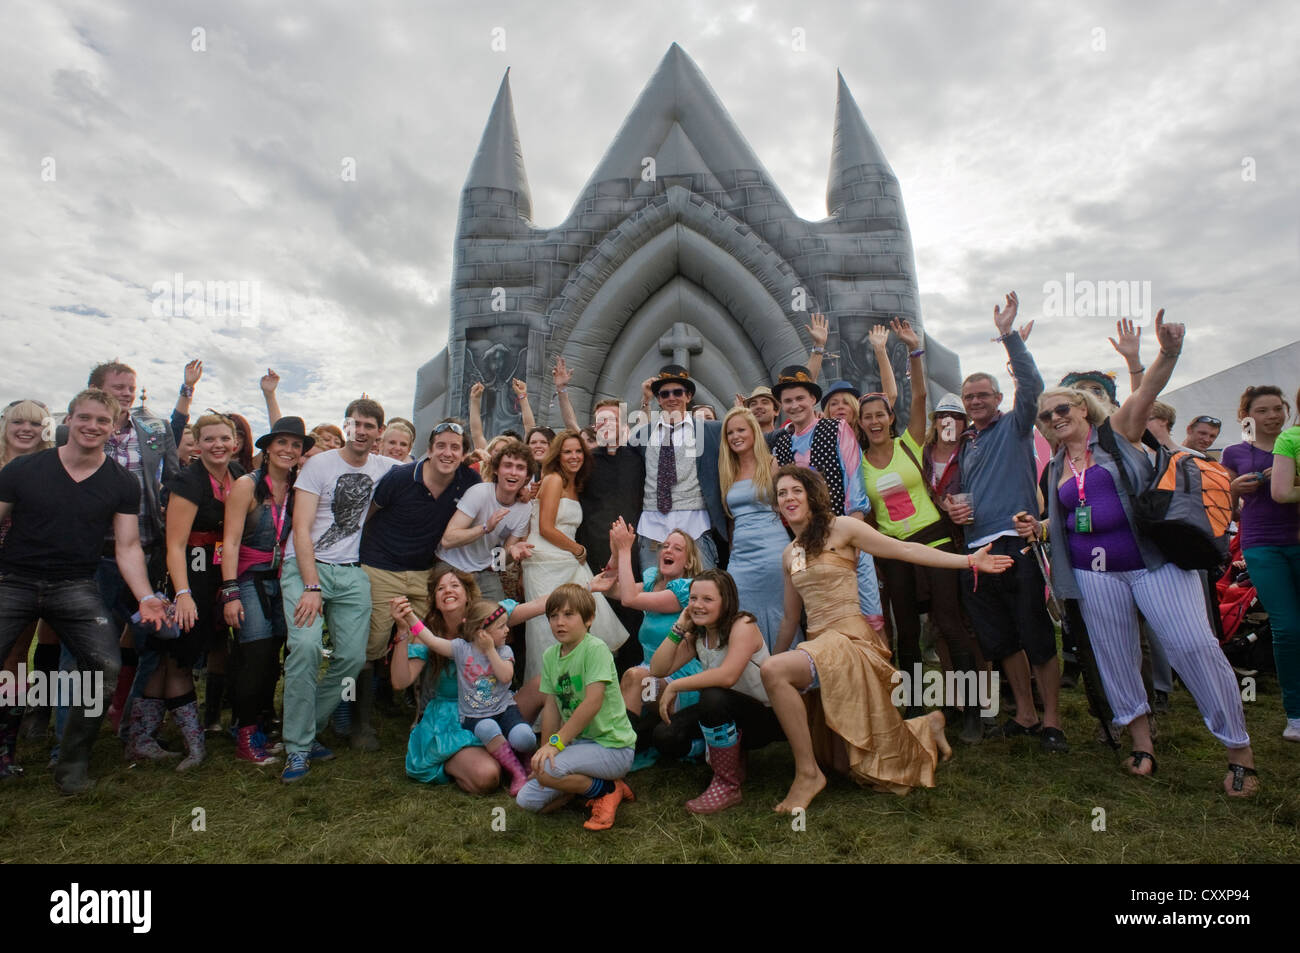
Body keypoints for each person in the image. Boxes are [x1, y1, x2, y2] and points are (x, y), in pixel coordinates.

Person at [1018, 314, 1260, 796]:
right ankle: (1141, 742)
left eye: (1063, 408)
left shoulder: (1118, 436)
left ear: (1085, 409)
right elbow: (1074, 518)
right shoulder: (1056, 470)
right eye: (1046, 416)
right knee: (1115, 658)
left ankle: (1239, 752)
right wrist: (1040, 527)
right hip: (1093, 575)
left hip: (1153, 565)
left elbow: (1147, 391)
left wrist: (1166, 353)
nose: (1055, 418)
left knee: (1194, 646)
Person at [760, 466, 1013, 812]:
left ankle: (807, 774)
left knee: (776, 673)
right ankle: (927, 725)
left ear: (811, 495)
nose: (788, 498)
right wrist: (770, 663)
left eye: (795, 491)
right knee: (843, 764)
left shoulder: (842, 527)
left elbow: (904, 551)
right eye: (782, 494)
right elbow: (791, 618)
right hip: (817, 645)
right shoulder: (790, 553)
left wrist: (968, 560)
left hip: (850, 639)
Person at [0, 389, 168, 794]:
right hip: (15, 580)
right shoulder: (23, 470)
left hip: (74, 584)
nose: (92, 426)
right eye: (84, 418)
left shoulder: (122, 482)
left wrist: (146, 597)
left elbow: (127, 547)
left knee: (103, 666)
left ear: (113, 429)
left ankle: (71, 764)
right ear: (68, 421)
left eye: (102, 421)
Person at [947, 292, 1067, 752]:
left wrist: (1009, 337)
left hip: (1017, 545)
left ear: (998, 398)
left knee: (1036, 634)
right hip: (978, 551)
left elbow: (1032, 386)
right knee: (1001, 640)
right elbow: (965, 494)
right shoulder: (968, 444)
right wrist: (954, 510)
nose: (976, 401)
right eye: (969, 396)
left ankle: (1053, 719)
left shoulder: (1016, 425)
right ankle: (1025, 713)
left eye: (983, 395)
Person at [857, 319, 981, 738]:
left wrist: (913, 350)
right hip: (895, 550)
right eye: (867, 417)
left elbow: (922, 394)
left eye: (880, 414)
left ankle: (974, 713)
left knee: (948, 622)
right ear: (860, 424)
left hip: (934, 539)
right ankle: (911, 707)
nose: (874, 421)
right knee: (907, 630)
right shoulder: (858, 463)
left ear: (890, 417)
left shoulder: (908, 442)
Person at [278, 398, 398, 782]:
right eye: (356, 423)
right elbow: (301, 528)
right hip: (306, 567)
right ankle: (297, 748)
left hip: (350, 573)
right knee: (308, 647)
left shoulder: (385, 467)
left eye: (369, 426)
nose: (361, 431)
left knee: (350, 658)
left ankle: (306, 727)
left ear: (380, 432)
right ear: (347, 426)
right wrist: (311, 585)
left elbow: (430, 471)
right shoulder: (319, 465)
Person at [356, 420, 480, 750]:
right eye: (442, 445)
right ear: (428, 449)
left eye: (455, 447)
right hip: (381, 566)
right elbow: (367, 515)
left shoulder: (468, 481)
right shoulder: (399, 478)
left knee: (424, 638)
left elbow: (492, 498)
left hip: (425, 572)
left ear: (463, 454)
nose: (448, 452)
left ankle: (420, 710)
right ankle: (359, 720)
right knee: (374, 640)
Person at [388, 565, 545, 792]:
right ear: (434, 598)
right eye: (440, 588)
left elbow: (540, 605)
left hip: (497, 705)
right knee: (487, 776)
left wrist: (590, 586)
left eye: (454, 585)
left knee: (543, 684)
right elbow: (400, 682)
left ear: (467, 592)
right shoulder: (429, 634)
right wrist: (402, 632)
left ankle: (550, 754)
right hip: (455, 717)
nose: (447, 591)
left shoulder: (488, 617)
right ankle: (465, 758)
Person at [645, 570, 782, 813]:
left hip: (764, 717)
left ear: (725, 601)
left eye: (707, 599)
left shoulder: (743, 625)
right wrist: (679, 627)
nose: (698, 605)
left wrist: (676, 685)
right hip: (723, 710)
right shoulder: (699, 635)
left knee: (712, 695)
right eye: (693, 598)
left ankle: (727, 784)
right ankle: (721, 752)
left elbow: (727, 676)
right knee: (664, 736)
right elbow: (657, 668)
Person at [151, 413, 244, 770]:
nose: (217, 445)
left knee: (209, 646)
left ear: (234, 442)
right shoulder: (187, 481)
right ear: (197, 443)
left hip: (222, 569)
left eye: (224, 438)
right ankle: (193, 743)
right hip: (188, 570)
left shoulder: (237, 475)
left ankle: (199, 724)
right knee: (181, 652)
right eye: (209, 439)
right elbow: (174, 545)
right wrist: (182, 594)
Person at [220, 417, 310, 765]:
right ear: (267, 448)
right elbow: (229, 541)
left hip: (283, 579)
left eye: (296, 445)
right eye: (282, 443)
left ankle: (259, 722)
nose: (288, 450)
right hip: (247, 577)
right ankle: (244, 733)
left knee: (272, 658)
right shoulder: (247, 484)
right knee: (254, 656)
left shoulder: (299, 487)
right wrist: (229, 591)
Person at [768, 364, 884, 627]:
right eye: (788, 400)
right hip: (804, 542)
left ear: (812, 399)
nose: (795, 405)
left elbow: (854, 480)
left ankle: (879, 666)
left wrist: (854, 537)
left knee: (867, 614)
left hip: (844, 532)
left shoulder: (837, 428)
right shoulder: (781, 443)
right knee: (819, 614)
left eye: (800, 398)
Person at [515, 584, 637, 831]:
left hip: (613, 746)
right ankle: (585, 787)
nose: (560, 622)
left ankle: (608, 788)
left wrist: (557, 744)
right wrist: (543, 753)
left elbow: (592, 703)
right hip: (577, 745)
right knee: (526, 801)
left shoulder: (595, 649)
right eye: (553, 615)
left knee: (549, 774)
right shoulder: (551, 655)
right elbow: (551, 707)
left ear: (589, 618)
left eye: (569, 614)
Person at [1223, 385, 1300, 742]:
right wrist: (1236, 490)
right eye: (1263, 410)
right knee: (1287, 627)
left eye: (1277, 409)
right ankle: (1296, 715)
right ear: (1248, 417)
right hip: (1261, 543)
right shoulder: (1235, 451)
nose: (1272, 416)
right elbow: (1224, 506)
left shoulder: (1295, 441)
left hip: (1297, 536)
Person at [521, 432, 629, 682]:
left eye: (578, 451)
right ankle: (547, 690)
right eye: (567, 451)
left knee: (584, 618)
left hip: (567, 559)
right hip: (547, 560)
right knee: (548, 627)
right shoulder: (553, 480)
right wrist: (577, 549)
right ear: (557, 455)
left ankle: (583, 685)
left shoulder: (573, 484)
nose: (574, 456)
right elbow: (546, 527)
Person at [595, 520, 704, 752]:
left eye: (677, 548)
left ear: (689, 561)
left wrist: (626, 550)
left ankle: (618, 754)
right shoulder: (653, 583)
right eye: (665, 546)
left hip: (678, 683)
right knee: (627, 683)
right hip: (651, 678)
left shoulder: (686, 590)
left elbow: (628, 599)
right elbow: (611, 588)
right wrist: (616, 552)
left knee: (635, 677)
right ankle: (621, 745)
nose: (668, 550)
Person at [0, 398, 55, 775]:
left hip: (26, 574)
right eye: (18, 421)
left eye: (35, 424)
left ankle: (5, 748)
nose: (26, 429)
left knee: (16, 657)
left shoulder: (53, 471)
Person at [633, 365, 725, 572]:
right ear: (659, 399)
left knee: (703, 592)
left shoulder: (710, 430)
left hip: (695, 526)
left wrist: (794, 428)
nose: (671, 398)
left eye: (677, 392)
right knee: (653, 596)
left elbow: (748, 439)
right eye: (664, 394)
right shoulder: (644, 434)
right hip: (653, 528)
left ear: (689, 395)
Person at [717, 406, 790, 650]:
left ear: (754, 433)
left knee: (778, 610)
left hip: (773, 549)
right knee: (742, 609)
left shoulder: (770, 463)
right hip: (740, 555)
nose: (735, 436)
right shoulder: (727, 469)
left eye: (741, 430)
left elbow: (787, 506)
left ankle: (783, 671)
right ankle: (751, 677)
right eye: (730, 432)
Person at [435, 438, 532, 601]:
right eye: (507, 465)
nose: (513, 472)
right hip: (451, 565)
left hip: (484, 572)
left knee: (497, 619)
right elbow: (447, 540)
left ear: (528, 476)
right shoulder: (479, 493)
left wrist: (512, 554)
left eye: (520, 468)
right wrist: (486, 527)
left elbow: (499, 563)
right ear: (496, 470)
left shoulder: (525, 508)